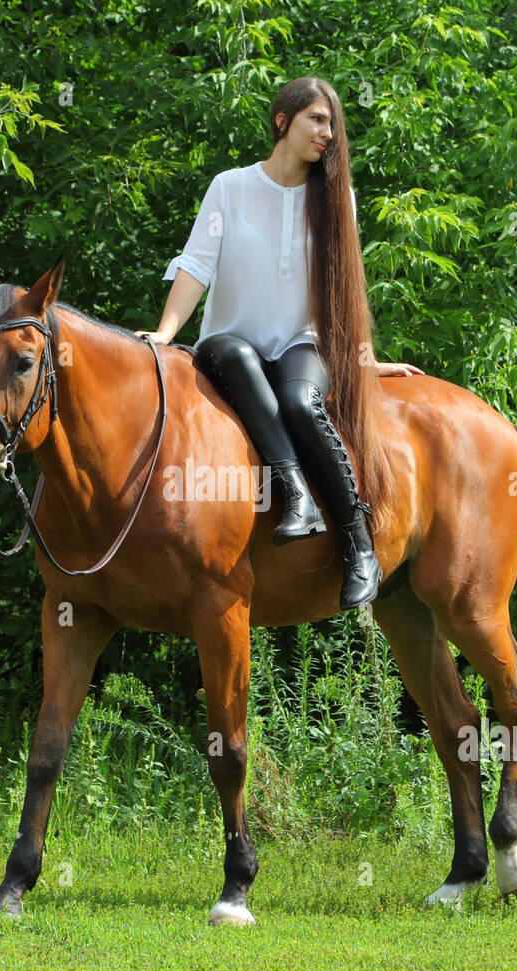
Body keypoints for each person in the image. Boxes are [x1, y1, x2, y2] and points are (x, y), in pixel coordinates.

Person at [136, 76, 424, 610]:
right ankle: (298, 499)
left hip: (301, 344)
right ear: (282, 121)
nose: (328, 132)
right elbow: (196, 266)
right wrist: (166, 333)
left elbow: (342, 296)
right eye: (317, 118)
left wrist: (364, 363)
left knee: (300, 402)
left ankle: (359, 546)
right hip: (229, 343)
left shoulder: (338, 200)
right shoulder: (230, 187)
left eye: (333, 122)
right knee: (239, 355)